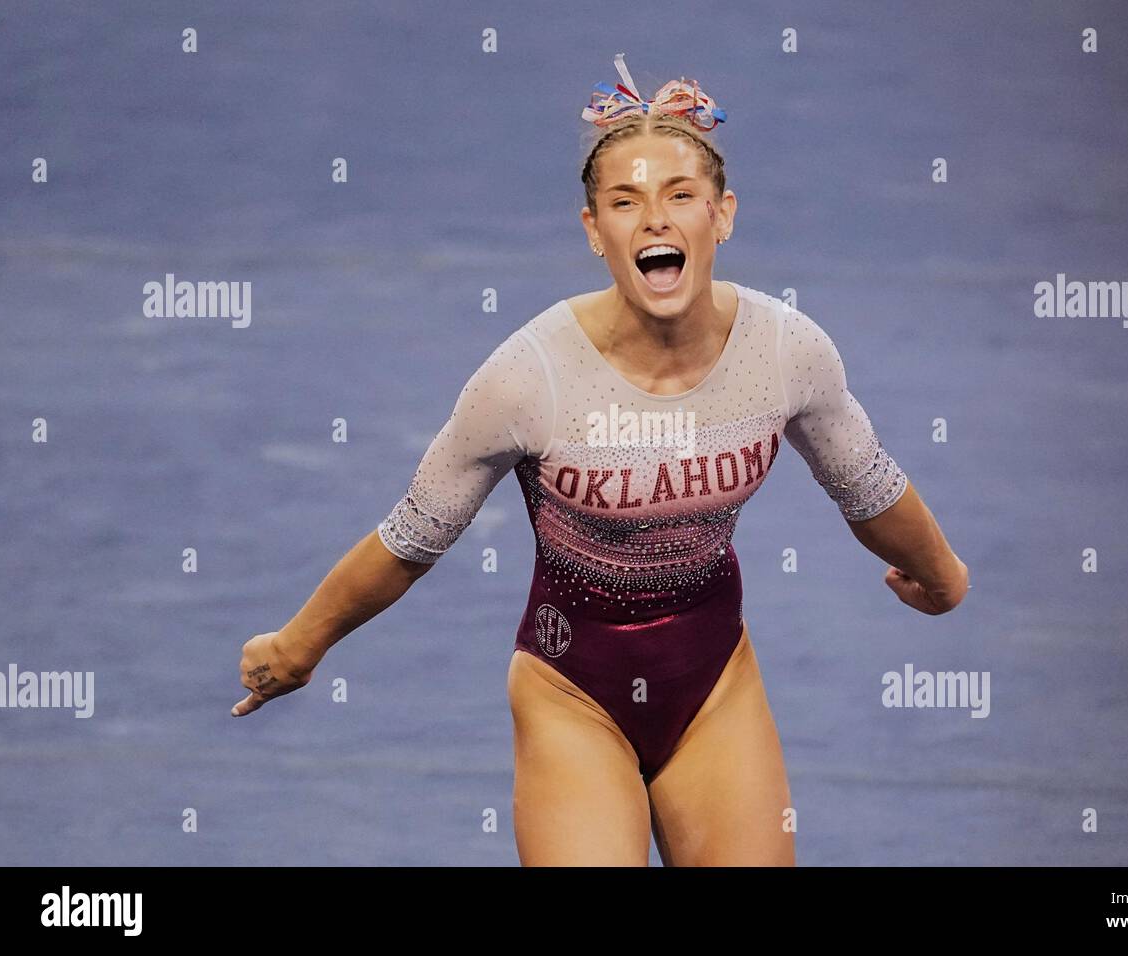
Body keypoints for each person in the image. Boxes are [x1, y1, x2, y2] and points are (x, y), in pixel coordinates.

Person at [233, 55, 969, 866]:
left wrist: (942, 575)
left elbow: (866, 485)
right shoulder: (528, 377)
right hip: (569, 692)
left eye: (680, 196)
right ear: (593, 230)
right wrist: (300, 643)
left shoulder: (788, 351)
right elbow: (413, 537)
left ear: (722, 216)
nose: (655, 221)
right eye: (625, 202)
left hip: (715, 686)